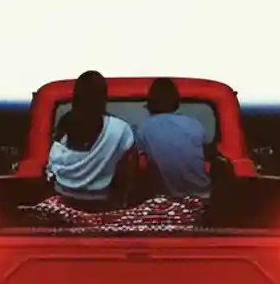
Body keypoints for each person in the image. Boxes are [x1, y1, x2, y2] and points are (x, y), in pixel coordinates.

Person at [46, 70, 136, 211]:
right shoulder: (120, 130)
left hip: (64, 205)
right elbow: (126, 177)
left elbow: (51, 168)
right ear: (104, 96)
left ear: (76, 96)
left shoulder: (63, 125)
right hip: (104, 207)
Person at [135, 77, 211, 200]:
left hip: (168, 199)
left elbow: (139, 164)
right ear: (177, 103)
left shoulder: (144, 128)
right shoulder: (195, 124)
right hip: (203, 195)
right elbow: (206, 154)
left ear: (150, 104)